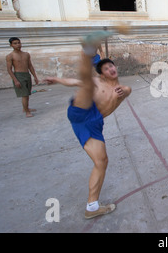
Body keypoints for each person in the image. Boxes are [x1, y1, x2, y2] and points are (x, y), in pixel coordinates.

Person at [44, 31, 131, 219]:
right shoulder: (95, 81)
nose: (110, 69)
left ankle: (92, 207)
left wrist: (121, 94)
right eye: (106, 68)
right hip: (82, 109)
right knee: (86, 84)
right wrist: (57, 79)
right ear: (101, 73)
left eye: (111, 66)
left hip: (94, 122)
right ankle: (87, 51)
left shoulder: (124, 88)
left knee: (101, 162)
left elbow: (123, 94)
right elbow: (73, 81)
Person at [6, 37, 39, 118]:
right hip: (18, 75)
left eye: (19, 43)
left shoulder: (26, 54)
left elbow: (30, 66)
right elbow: (9, 70)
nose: (18, 45)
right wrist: (15, 80)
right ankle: (27, 112)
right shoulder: (10, 56)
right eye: (15, 43)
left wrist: (35, 76)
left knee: (27, 93)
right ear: (11, 45)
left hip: (27, 75)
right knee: (24, 95)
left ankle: (26, 108)